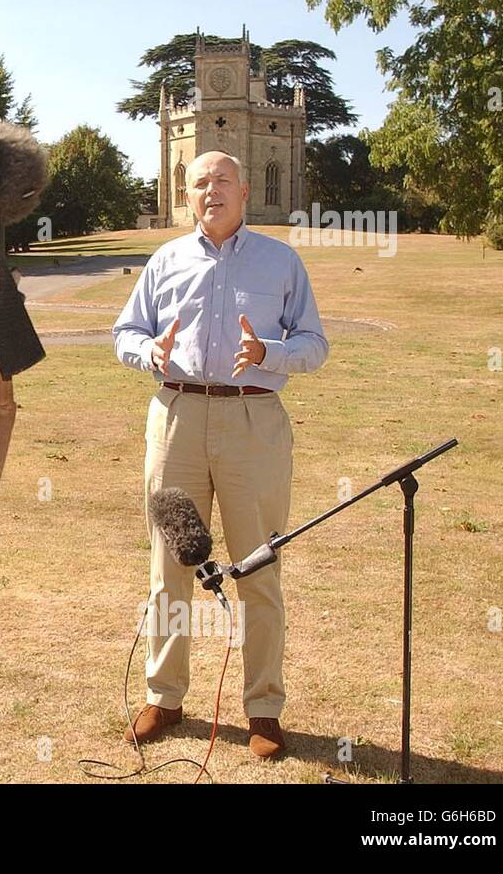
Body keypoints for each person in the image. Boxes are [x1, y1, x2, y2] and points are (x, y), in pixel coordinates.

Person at [112, 151, 329, 759]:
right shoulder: (165, 260)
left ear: (245, 188)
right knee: (169, 567)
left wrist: (269, 354)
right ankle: (164, 696)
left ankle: (263, 710)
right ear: (188, 193)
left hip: (252, 421)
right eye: (200, 182)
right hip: (177, 417)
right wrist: (148, 351)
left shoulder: (280, 261)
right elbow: (125, 333)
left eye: (223, 181)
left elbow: (315, 344)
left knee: (258, 568)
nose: (212, 191)